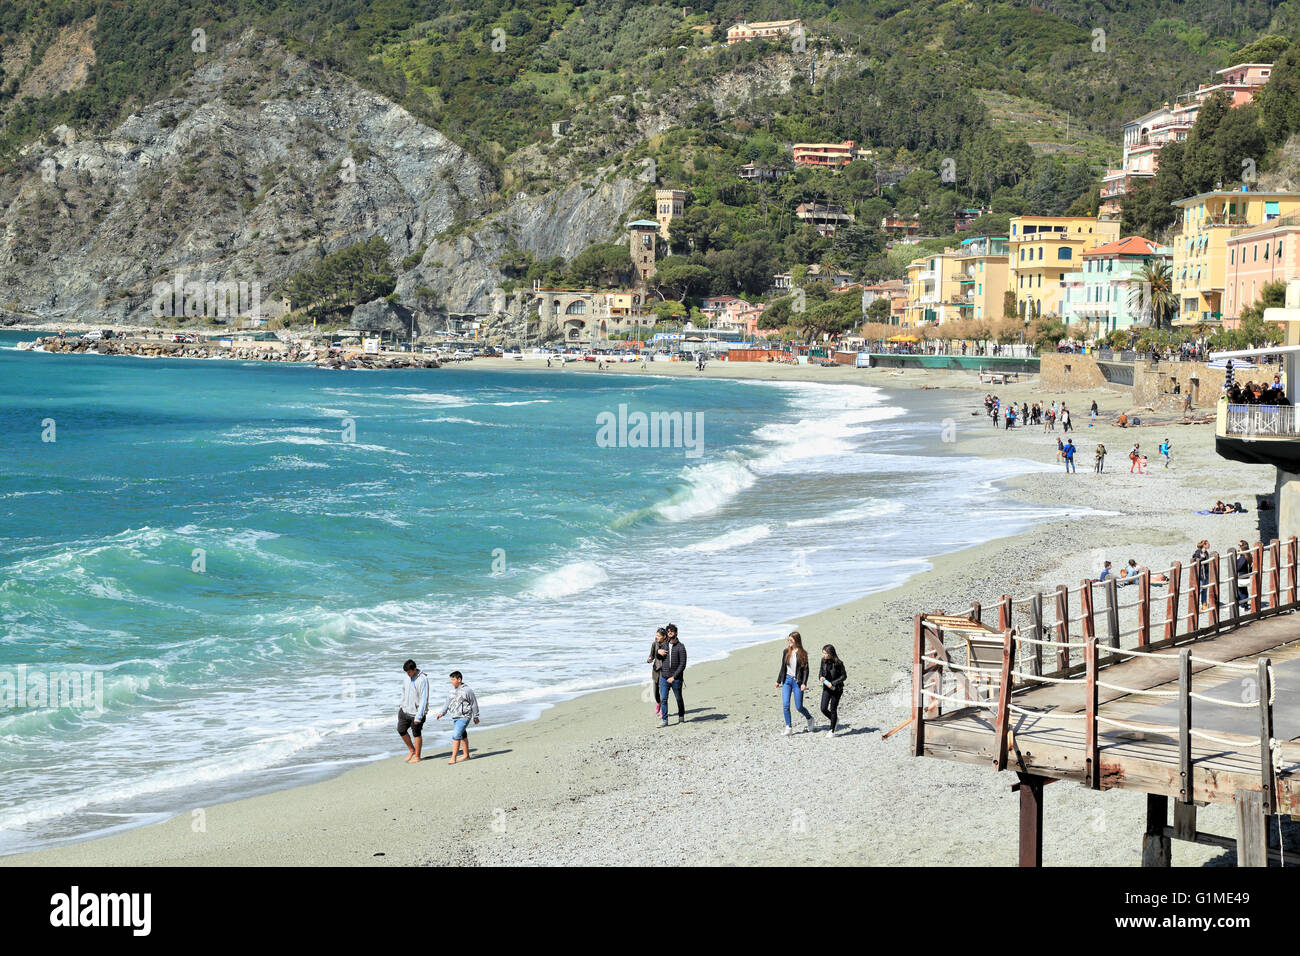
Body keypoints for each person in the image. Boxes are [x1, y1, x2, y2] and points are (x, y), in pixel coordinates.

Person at [434, 670, 480, 764]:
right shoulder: (451, 691)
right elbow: (447, 703)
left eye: (453, 679)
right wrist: (442, 713)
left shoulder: (467, 690)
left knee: (456, 735)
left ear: (459, 679)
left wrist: (476, 716)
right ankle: (466, 755)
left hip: (464, 716)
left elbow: (474, 703)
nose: (451, 682)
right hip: (455, 716)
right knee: (463, 735)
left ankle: (453, 758)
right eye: (451, 680)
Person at [774, 631, 814, 735]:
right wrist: (778, 681)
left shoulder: (802, 653)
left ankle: (809, 718)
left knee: (799, 707)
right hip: (787, 680)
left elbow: (806, 670)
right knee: (786, 705)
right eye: (788, 640)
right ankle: (788, 727)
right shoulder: (786, 651)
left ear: (797, 640)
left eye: (791, 640)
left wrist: (804, 683)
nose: (789, 642)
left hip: (798, 681)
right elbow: (783, 667)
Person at [397, 659, 430, 763]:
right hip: (405, 710)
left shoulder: (422, 679)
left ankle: (417, 756)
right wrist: (401, 705)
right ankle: (412, 750)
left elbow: (424, 699)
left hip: (416, 713)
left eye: (409, 672)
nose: (408, 674)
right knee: (401, 730)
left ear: (414, 669)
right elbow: (403, 691)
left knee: (416, 733)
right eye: (406, 672)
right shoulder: (406, 677)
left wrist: (419, 716)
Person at [658, 624, 687, 727]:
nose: (669, 632)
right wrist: (658, 651)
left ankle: (681, 717)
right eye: (668, 631)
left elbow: (682, 664)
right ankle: (664, 721)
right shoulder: (664, 646)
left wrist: (674, 677)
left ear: (676, 633)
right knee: (663, 699)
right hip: (664, 677)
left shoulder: (681, 647)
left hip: (676, 679)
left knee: (678, 698)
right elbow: (658, 658)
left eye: (672, 631)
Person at [818, 644, 848, 738]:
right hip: (826, 687)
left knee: (833, 709)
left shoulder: (838, 663)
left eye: (825, 653)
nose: (824, 655)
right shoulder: (823, 660)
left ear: (830, 654)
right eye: (823, 653)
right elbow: (820, 672)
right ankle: (834, 719)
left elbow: (844, 676)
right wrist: (821, 677)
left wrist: (833, 683)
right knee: (823, 708)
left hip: (837, 689)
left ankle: (832, 730)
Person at [647, 627, 668, 719]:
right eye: (656, 635)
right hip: (656, 671)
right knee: (655, 693)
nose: (657, 637)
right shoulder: (654, 644)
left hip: (664, 672)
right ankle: (658, 703)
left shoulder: (667, 645)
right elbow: (651, 656)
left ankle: (663, 711)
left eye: (659, 636)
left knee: (663, 693)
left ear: (664, 636)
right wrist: (649, 659)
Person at [1192, 540, 1211, 610]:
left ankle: (1204, 604)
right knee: (1199, 590)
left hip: (1206, 573)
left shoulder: (1206, 552)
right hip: (1201, 575)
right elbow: (1195, 560)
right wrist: (1202, 558)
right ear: (1204, 544)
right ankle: (1195, 606)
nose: (1209, 545)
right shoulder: (1198, 552)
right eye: (1208, 544)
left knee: (1205, 589)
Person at [1236, 540, 1253, 610]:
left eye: (1239, 545)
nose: (1238, 546)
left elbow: (1238, 567)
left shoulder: (1243, 557)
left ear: (1242, 547)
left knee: (1241, 591)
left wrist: (1237, 558)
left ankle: (1243, 605)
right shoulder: (1248, 555)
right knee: (1243, 590)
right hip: (1245, 575)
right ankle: (1244, 604)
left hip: (1241, 576)